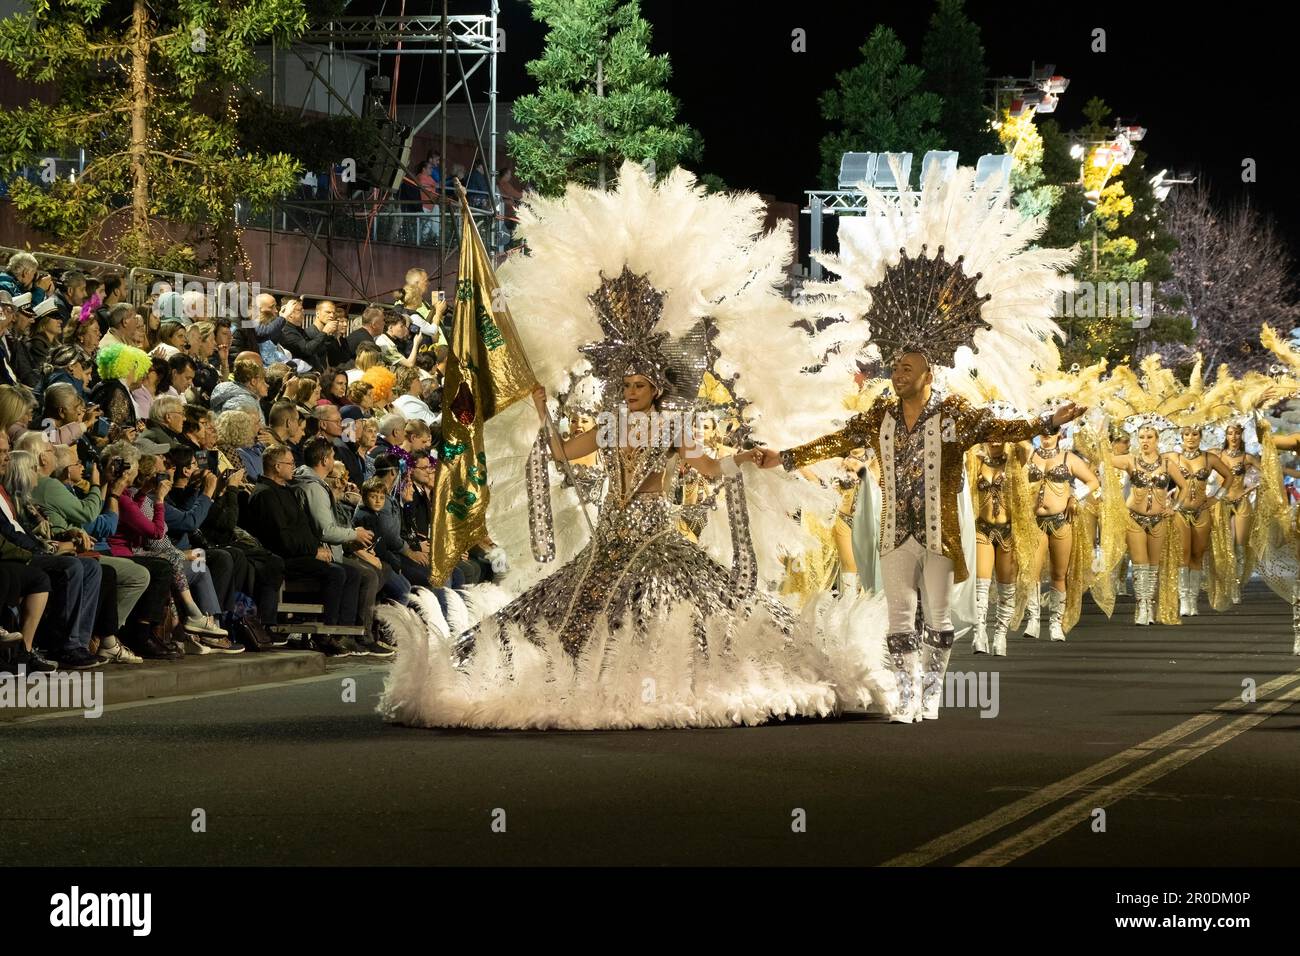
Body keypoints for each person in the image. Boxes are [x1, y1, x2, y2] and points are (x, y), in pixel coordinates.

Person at [761, 352, 1083, 719]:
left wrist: (1047, 421)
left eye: (906, 370)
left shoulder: (954, 415)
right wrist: (783, 457)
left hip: (939, 535)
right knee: (899, 620)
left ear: (927, 376)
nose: (897, 375)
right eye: (895, 369)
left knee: (938, 620)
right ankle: (906, 694)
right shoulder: (879, 416)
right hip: (896, 531)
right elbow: (835, 441)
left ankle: (931, 692)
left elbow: (1000, 429)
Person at [241, 443, 363, 652]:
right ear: (277, 466)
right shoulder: (266, 495)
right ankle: (325, 634)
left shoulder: (285, 490)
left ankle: (342, 633)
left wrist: (316, 548)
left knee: (352, 573)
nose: (293, 467)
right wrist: (314, 551)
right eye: (290, 463)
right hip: (283, 558)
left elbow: (303, 529)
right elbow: (281, 538)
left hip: (301, 552)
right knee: (337, 573)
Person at [292, 437, 390, 656]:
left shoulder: (313, 484)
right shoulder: (314, 488)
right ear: (325, 460)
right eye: (333, 457)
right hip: (320, 552)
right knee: (361, 574)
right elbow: (325, 530)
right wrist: (354, 534)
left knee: (372, 572)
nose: (334, 459)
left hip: (330, 549)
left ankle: (349, 633)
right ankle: (342, 634)